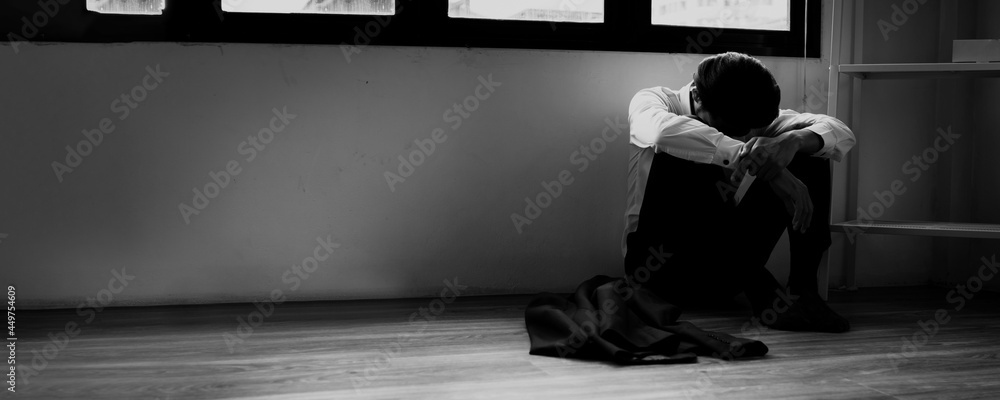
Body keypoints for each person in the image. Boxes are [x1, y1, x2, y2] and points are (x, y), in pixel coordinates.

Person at [623, 52, 856, 333]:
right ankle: (764, 291)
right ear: (697, 96)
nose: (740, 135)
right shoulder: (654, 101)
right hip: (659, 274)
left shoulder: (747, 115)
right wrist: (753, 160)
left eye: (744, 132)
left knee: (807, 150)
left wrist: (791, 142)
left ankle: (803, 290)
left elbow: (841, 132)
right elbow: (660, 133)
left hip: (729, 271)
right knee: (680, 151)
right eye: (730, 130)